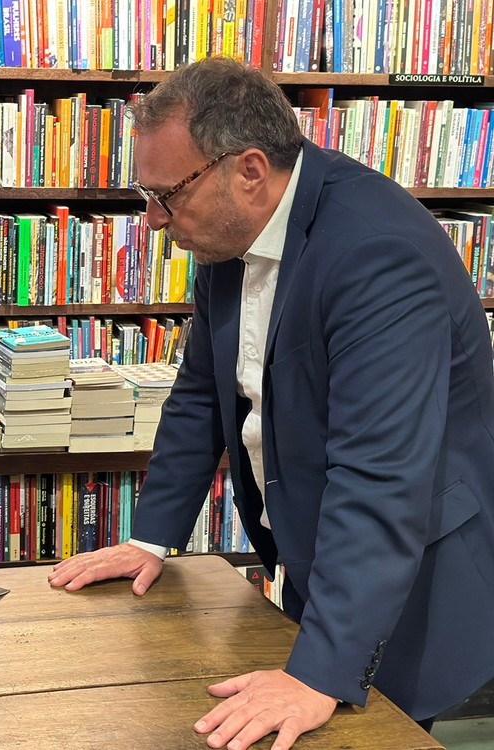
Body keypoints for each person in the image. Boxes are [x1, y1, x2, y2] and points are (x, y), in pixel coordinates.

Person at [49, 57, 494, 749]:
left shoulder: (378, 256)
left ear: (248, 171)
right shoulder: (229, 232)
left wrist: (320, 673)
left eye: (167, 196)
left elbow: (380, 480)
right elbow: (201, 393)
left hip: (409, 585)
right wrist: (149, 537)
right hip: (314, 556)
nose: (154, 222)